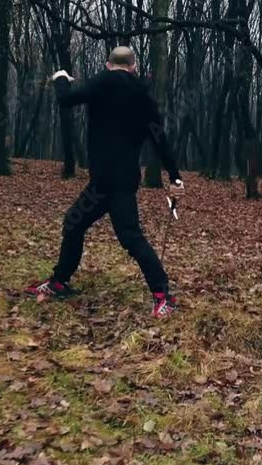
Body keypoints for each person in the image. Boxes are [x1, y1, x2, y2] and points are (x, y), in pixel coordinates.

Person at [26, 46, 185, 319]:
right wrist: (175, 176)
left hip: (107, 181)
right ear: (133, 66)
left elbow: (66, 99)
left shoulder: (101, 82)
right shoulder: (143, 96)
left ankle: (164, 296)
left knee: (116, 233)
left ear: (108, 65)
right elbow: (160, 139)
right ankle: (59, 282)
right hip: (118, 181)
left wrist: (61, 77)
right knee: (82, 224)